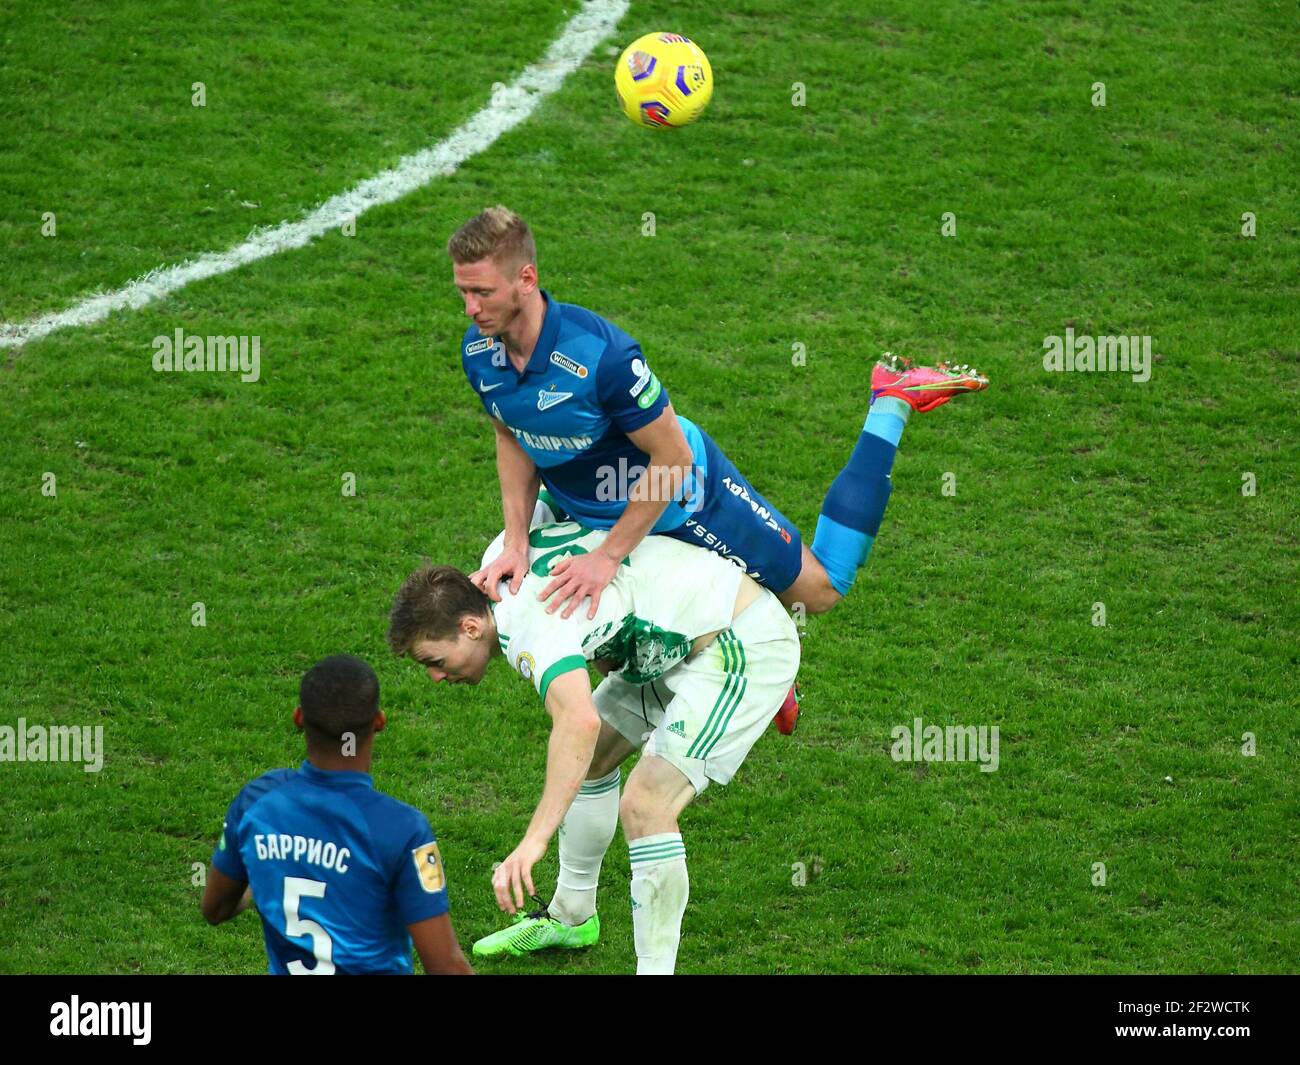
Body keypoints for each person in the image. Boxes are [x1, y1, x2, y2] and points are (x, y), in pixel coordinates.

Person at [448, 207, 988, 731]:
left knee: (820, 590)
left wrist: (608, 555)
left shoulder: (601, 355)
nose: (470, 308)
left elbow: (674, 457)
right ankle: (745, 660)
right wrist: (517, 541)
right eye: (463, 293)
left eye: (482, 292)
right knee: (608, 643)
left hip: (684, 499)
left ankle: (890, 403)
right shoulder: (480, 352)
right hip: (585, 509)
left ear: (526, 278)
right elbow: (510, 432)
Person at [387, 516, 800, 974]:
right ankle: (573, 915)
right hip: (664, 640)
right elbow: (555, 492)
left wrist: (533, 841)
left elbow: (577, 721)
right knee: (594, 763)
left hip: (738, 641)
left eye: (435, 661)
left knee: (646, 805)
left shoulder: (529, 627)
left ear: (469, 627)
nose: (436, 677)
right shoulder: (505, 552)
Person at [201, 654, 474, 975]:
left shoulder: (256, 803)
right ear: (379, 722)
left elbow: (215, 908)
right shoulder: (402, 830)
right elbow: (445, 967)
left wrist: (266, 875)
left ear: (299, 718)